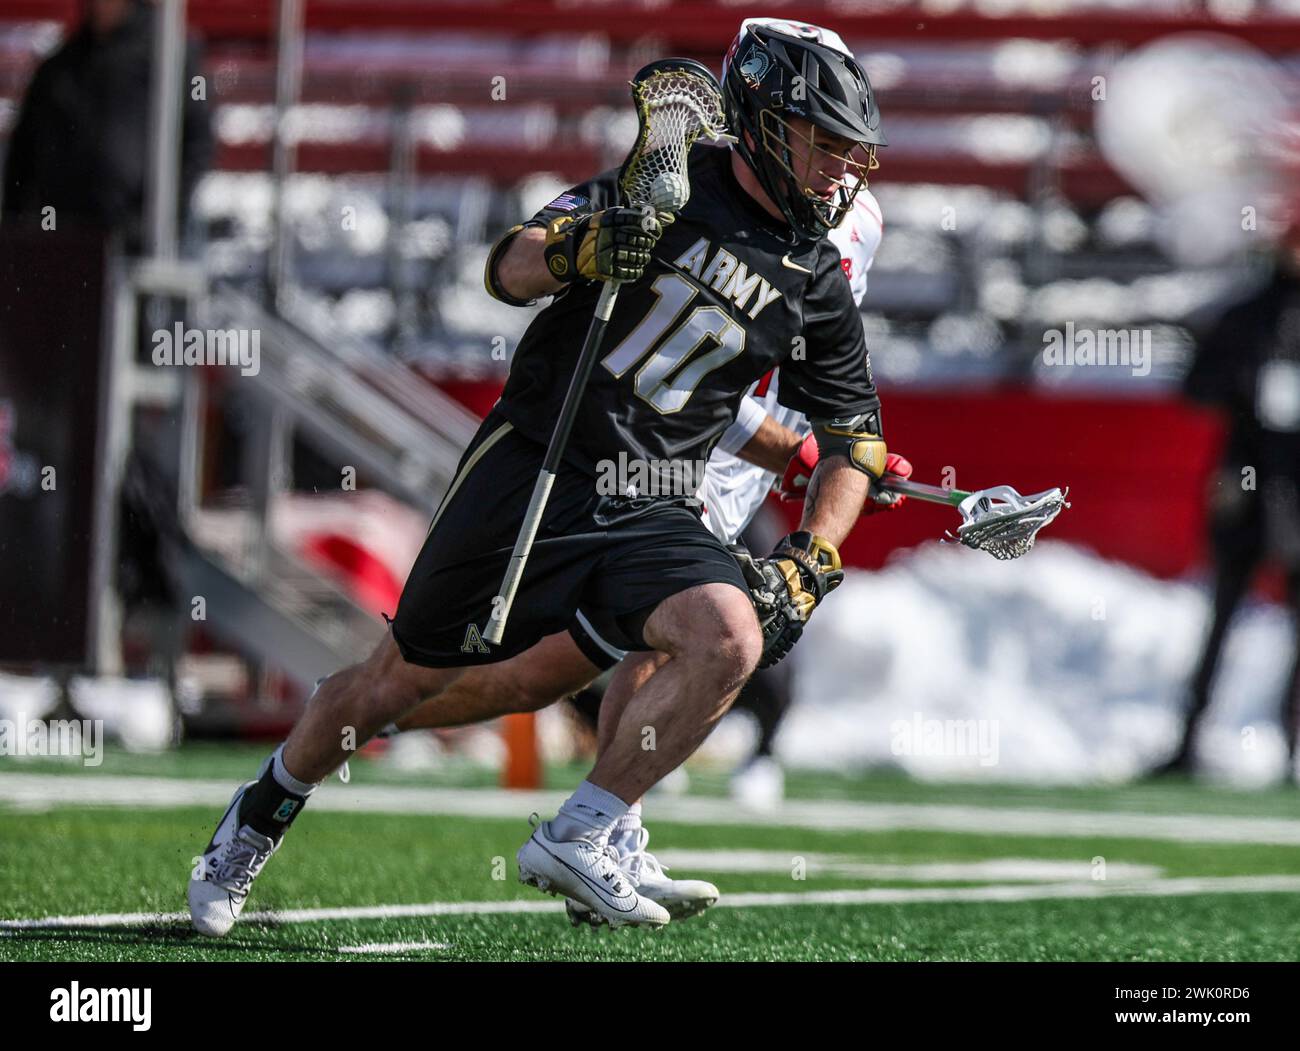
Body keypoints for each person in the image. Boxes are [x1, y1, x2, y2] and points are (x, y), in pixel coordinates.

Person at [188, 17, 894, 935]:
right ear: (766, 119)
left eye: (854, 154)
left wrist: (813, 553)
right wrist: (584, 248)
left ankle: (588, 829)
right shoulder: (665, 188)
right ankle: (261, 810)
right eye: (826, 145)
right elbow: (510, 267)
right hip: (541, 466)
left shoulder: (817, 277)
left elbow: (854, 440)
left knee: (730, 633)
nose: (842, 172)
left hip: (658, 497)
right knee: (398, 682)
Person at [1154, 223, 1300, 778]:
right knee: (1223, 617)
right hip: (1249, 481)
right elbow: (1198, 388)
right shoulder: (1248, 314)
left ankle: (1289, 750)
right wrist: (1244, 381)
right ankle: (1188, 740)